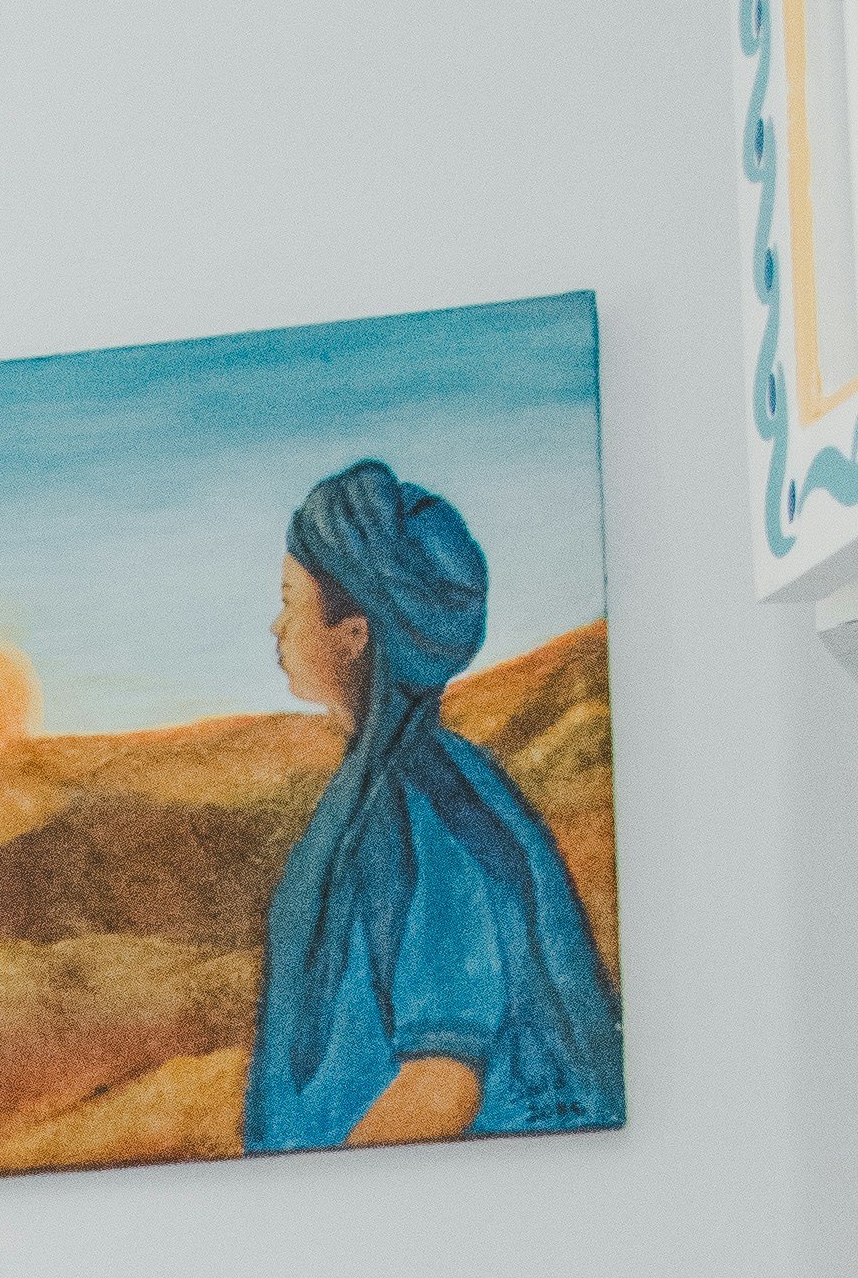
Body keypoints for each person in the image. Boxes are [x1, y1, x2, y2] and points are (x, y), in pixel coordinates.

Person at [247, 454, 624, 1152]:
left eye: (291, 601)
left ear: (354, 634)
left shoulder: (425, 809)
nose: (276, 625)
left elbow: (443, 1080)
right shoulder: (399, 786)